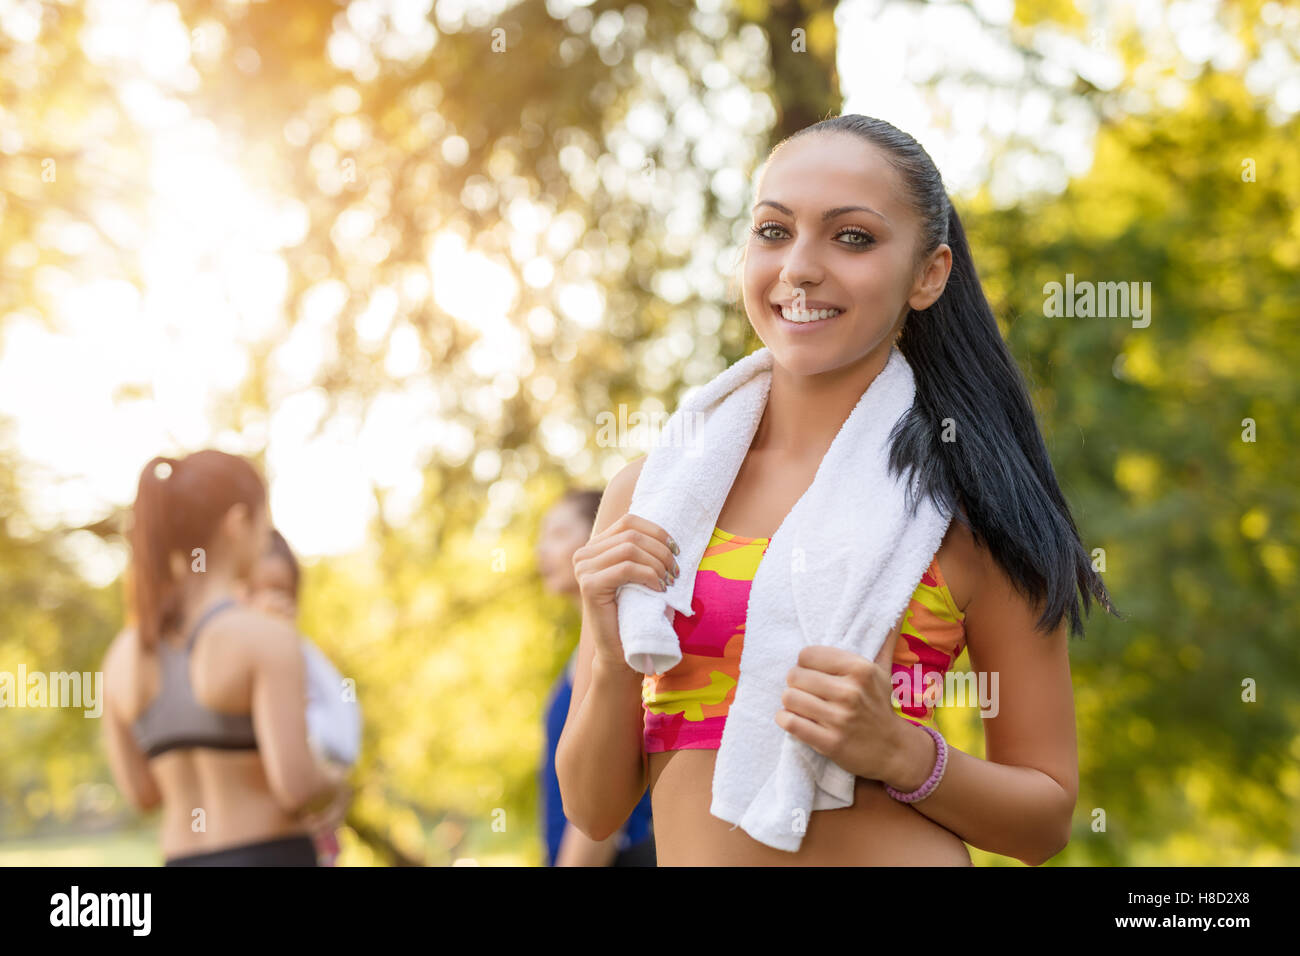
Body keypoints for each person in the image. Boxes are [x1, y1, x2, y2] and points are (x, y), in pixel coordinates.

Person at [558, 114, 1121, 866]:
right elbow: (594, 811)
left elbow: (1045, 818)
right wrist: (608, 652)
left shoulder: (966, 510)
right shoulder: (655, 496)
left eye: (852, 237)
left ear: (929, 274)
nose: (799, 267)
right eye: (773, 231)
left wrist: (901, 753)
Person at [101, 450, 349, 865]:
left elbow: (142, 795)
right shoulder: (264, 637)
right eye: (264, 526)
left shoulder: (121, 656)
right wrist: (337, 785)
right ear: (237, 524)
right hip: (269, 855)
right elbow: (297, 787)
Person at [536, 489, 655, 866]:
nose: (541, 550)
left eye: (558, 533)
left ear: (599, 534)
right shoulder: (582, 652)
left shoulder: (622, 645)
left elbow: (608, 790)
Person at [240, 528, 360, 866]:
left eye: (281, 590)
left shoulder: (307, 662)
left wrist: (332, 787)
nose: (271, 601)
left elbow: (343, 740)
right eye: (254, 590)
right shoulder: (223, 668)